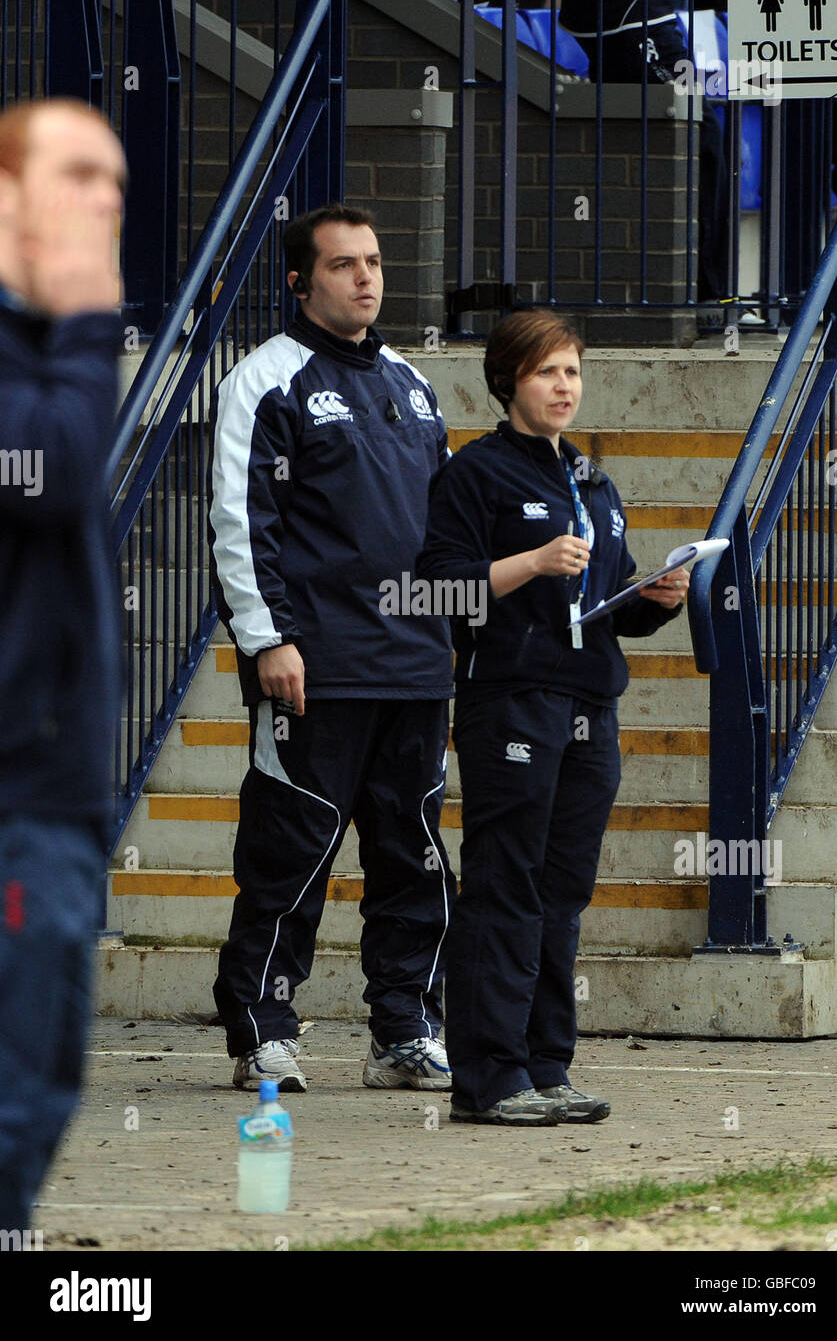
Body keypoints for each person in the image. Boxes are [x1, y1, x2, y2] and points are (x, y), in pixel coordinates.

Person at [417, 309, 688, 1126]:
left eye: (572, 370)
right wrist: (528, 562)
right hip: (511, 702)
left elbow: (606, 609)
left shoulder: (594, 482)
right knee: (505, 886)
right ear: (509, 382)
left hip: (589, 708)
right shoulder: (476, 475)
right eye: (546, 372)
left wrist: (656, 599)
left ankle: (546, 1066)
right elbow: (433, 592)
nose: (563, 386)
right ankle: (490, 1079)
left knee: (563, 894)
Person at [208, 203, 456, 1094]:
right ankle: (264, 1032)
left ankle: (404, 1032)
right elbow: (241, 523)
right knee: (290, 855)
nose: (366, 279)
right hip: (313, 668)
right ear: (299, 281)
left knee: (412, 855)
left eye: (376, 263)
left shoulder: (412, 384)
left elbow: (449, 528)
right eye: (345, 264)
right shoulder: (264, 382)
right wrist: (266, 637)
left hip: (416, 668)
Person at [0, 99, 125, 1227]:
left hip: (57, 789)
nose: (105, 200)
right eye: (78, 174)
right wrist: (90, 317)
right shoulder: (47, 358)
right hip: (17, 797)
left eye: (116, 180)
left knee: (41, 1082)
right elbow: (55, 467)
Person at [559, 0, 729, 304]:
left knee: (651, 139)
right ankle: (710, 295)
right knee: (700, 138)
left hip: (620, 11)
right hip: (634, 16)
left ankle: (654, 286)